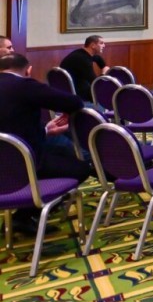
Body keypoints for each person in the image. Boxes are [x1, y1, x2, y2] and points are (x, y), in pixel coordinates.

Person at [0, 53, 88, 236]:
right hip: (25, 163)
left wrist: (46, 130)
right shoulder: (25, 86)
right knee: (81, 168)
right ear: (28, 70)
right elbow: (74, 102)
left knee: (62, 152)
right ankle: (25, 215)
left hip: (6, 160)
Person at [59, 35, 110, 102]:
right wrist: (103, 73)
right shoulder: (83, 60)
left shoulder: (82, 53)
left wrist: (104, 67)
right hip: (76, 92)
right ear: (93, 45)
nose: (104, 45)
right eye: (101, 43)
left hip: (68, 88)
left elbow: (98, 59)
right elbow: (95, 83)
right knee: (108, 89)